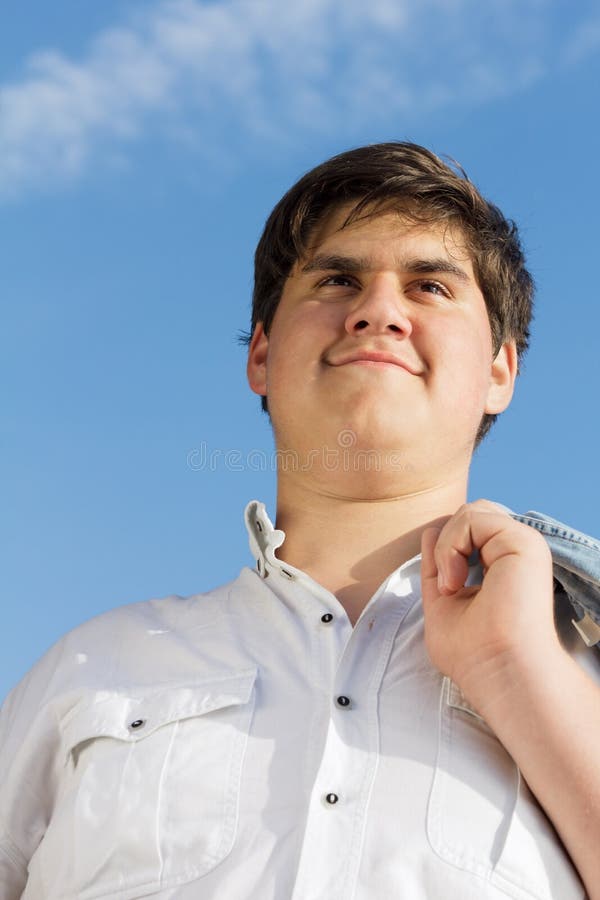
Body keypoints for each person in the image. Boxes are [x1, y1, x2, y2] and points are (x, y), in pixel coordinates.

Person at [1, 142, 599, 900]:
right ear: (262, 352)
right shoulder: (86, 671)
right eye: (338, 279)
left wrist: (521, 675)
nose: (379, 310)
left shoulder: (584, 667)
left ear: (499, 372)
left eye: (430, 286)